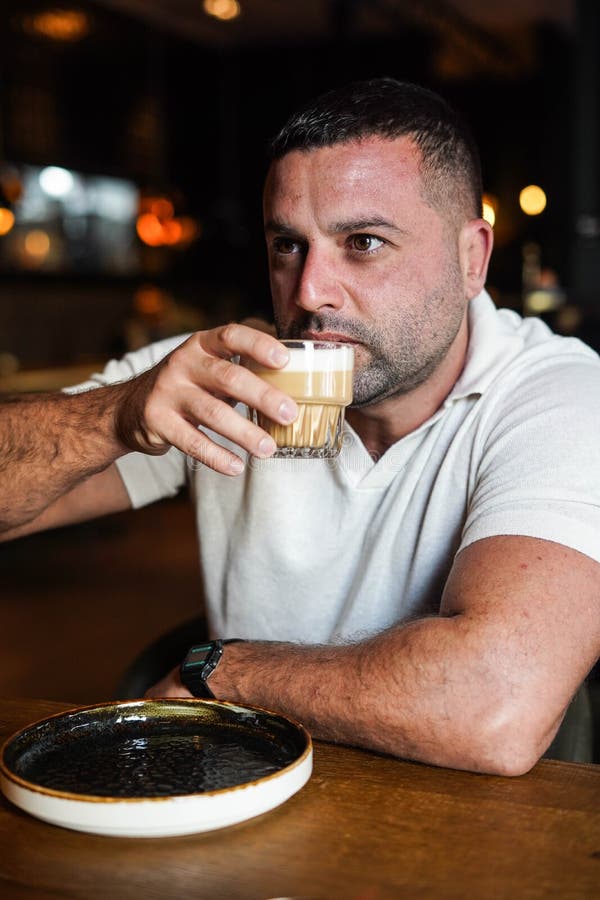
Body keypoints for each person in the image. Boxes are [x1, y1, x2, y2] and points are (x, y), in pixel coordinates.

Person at [1, 78, 599, 776]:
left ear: (473, 258)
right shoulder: (228, 370)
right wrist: (116, 415)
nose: (310, 290)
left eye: (363, 242)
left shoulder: (558, 392)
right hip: (248, 802)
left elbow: (494, 707)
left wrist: (222, 672)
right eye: (288, 245)